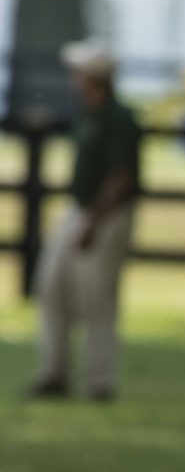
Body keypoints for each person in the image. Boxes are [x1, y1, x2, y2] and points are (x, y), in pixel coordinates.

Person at [29, 38, 140, 401]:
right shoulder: (88, 114)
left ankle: (100, 382)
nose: (73, 78)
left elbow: (121, 174)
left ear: (93, 76)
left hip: (103, 215)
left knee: (96, 298)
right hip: (78, 210)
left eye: (78, 72)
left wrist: (94, 220)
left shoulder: (118, 117)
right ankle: (54, 374)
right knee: (52, 289)